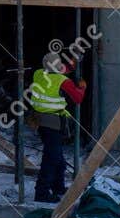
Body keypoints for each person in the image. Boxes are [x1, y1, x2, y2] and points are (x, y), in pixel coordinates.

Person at [26, 50, 85, 203]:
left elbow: (62, 69)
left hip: (39, 122)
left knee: (57, 157)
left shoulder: (38, 74)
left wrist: (73, 63)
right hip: (53, 123)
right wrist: (82, 87)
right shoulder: (63, 81)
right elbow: (78, 99)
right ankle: (42, 193)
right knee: (51, 158)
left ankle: (58, 187)